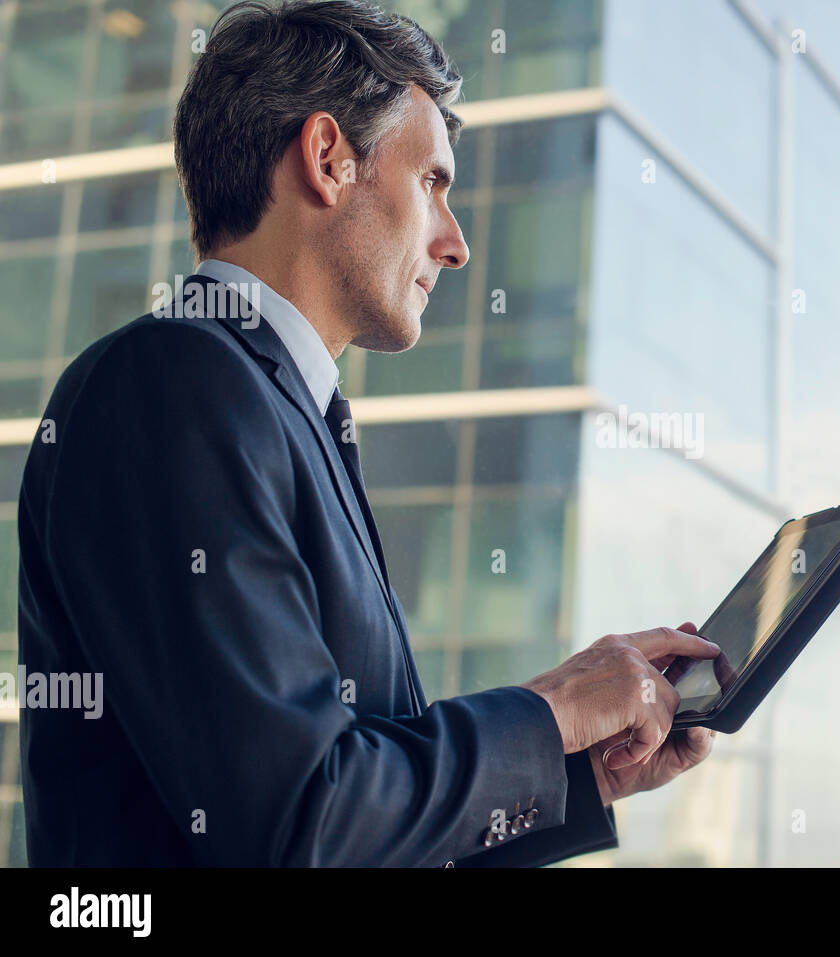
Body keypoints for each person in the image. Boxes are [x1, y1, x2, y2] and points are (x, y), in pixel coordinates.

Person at [16, 0, 720, 867]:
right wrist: (554, 712)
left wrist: (579, 768)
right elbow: (300, 823)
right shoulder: (171, 383)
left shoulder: (283, 410)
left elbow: (356, 813)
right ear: (327, 159)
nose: (456, 245)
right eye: (433, 182)